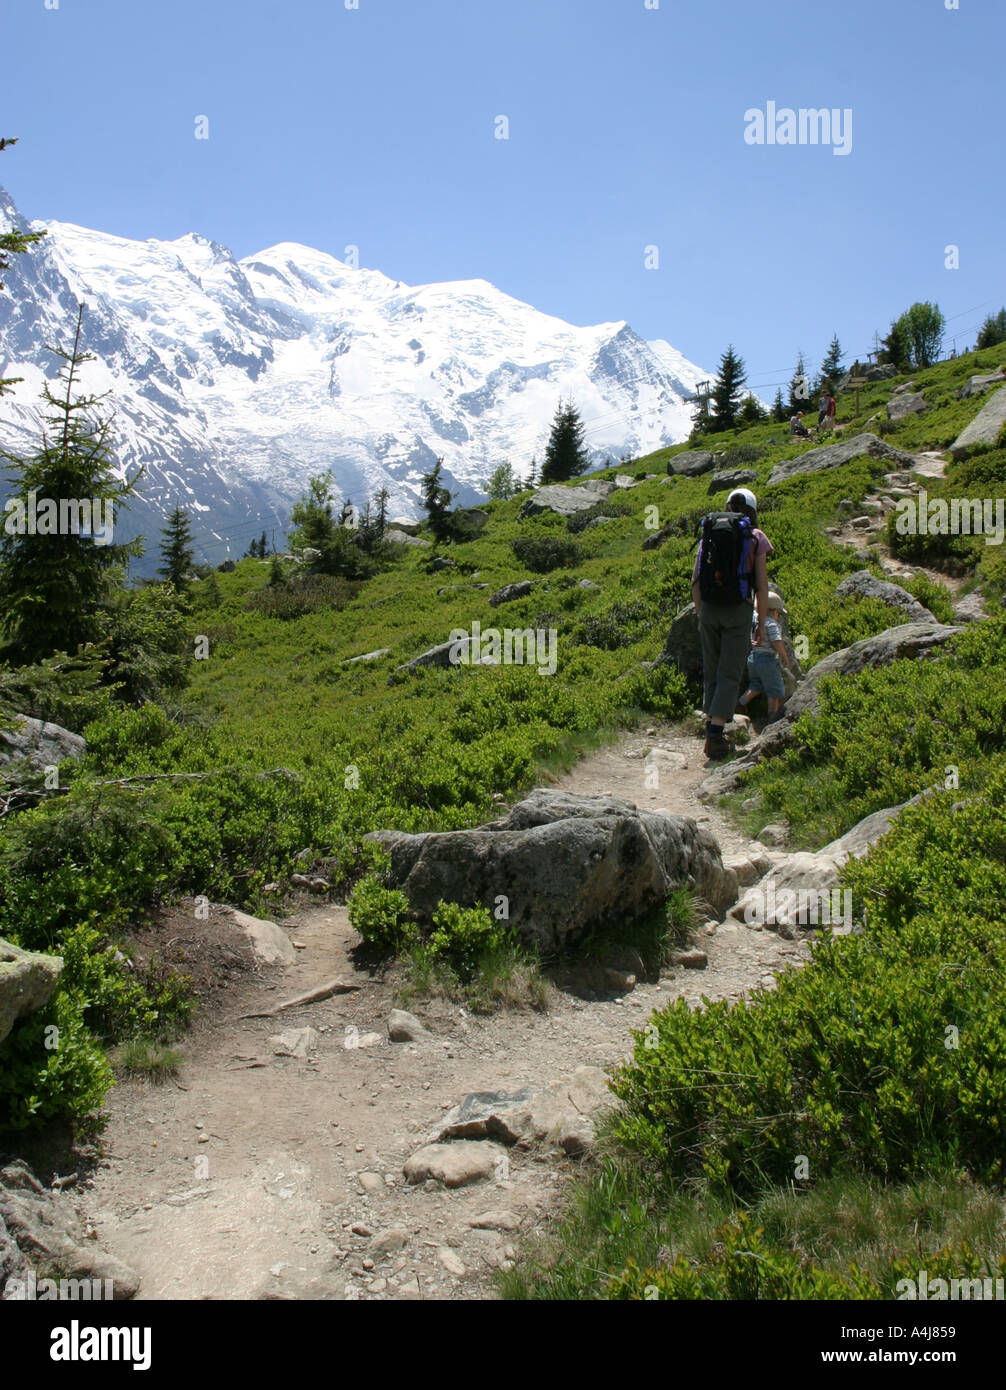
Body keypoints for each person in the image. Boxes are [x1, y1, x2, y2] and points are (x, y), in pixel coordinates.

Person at [691, 487, 773, 760]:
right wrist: (761, 624)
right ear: (752, 509)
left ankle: (710, 725)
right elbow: (761, 586)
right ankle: (715, 736)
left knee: (712, 669)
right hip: (738, 610)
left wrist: (702, 614)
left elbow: (696, 581)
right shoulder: (756, 537)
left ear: (727, 506)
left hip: (710, 609)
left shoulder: (710, 533)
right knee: (730, 672)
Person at [738, 591, 790, 721]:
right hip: (767, 660)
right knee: (775, 689)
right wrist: (783, 655)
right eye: (778, 612)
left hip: (753, 658)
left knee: (757, 684)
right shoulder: (771, 623)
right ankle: (773, 716)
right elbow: (776, 641)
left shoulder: (754, 618)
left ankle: (740, 703)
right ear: (774, 611)